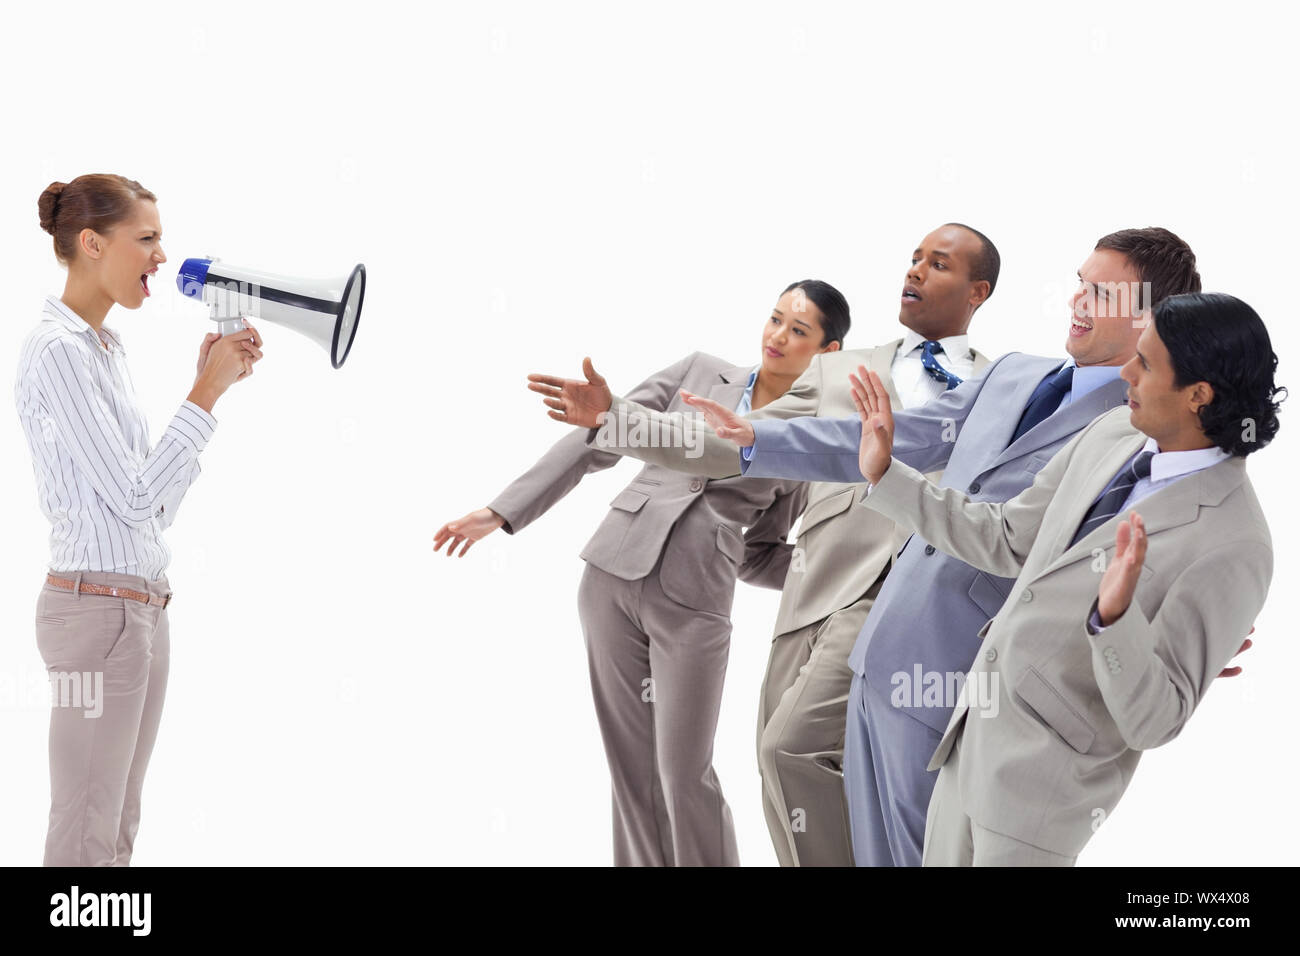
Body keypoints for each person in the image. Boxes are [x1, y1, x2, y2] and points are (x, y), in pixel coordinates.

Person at [680, 226, 1248, 865]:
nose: (1076, 302)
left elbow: (1130, 556)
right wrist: (758, 438)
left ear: (1150, 317)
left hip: (961, 693)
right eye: (1080, 285)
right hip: (881, 654)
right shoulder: (1012, 376)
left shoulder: (1145, 429)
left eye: (1099, 293)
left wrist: (1180, 635)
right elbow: (889, 442)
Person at [533, 223, 998, 865]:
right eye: (913, 258)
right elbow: (732, 443)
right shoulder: (840, 370)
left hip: (915, 593)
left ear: (979, 291)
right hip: (814, 596)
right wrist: (615, 419)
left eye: (937, 263)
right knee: (776, 767)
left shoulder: (996, 388)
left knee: (825, 756)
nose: (915, 270)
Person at [848, 290, 1280, 865]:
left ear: (1198, 395)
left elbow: (1156, 718)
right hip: (967, 751)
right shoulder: (1112, 434)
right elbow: (1006, 539)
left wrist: (1116, 619)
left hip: (1040, 799)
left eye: (1145, 364)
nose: (1125, 369)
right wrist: (887, 475)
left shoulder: (1237, 542)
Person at [433, 280, 847, 865]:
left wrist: (837, 570)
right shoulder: (700, 370)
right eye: (775, 319)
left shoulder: (806, 441)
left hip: (697, 604)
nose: (778, 336)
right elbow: (598, 435)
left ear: (827, 353)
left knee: (685, 775)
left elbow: (761, 553)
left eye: (798, 330)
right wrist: (503, 510)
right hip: (610, 576)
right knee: (631, 774)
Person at [16, 174, 263, 866]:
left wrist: (210, 395)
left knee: (117, 817)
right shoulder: (58, 350)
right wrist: (204, 389)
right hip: (93, 612)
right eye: (147, 239)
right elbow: (132, 502)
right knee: (85, 821)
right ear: (92, 244)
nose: (162, 257)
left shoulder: (105, 351)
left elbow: (150, 509)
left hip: (137, 610)